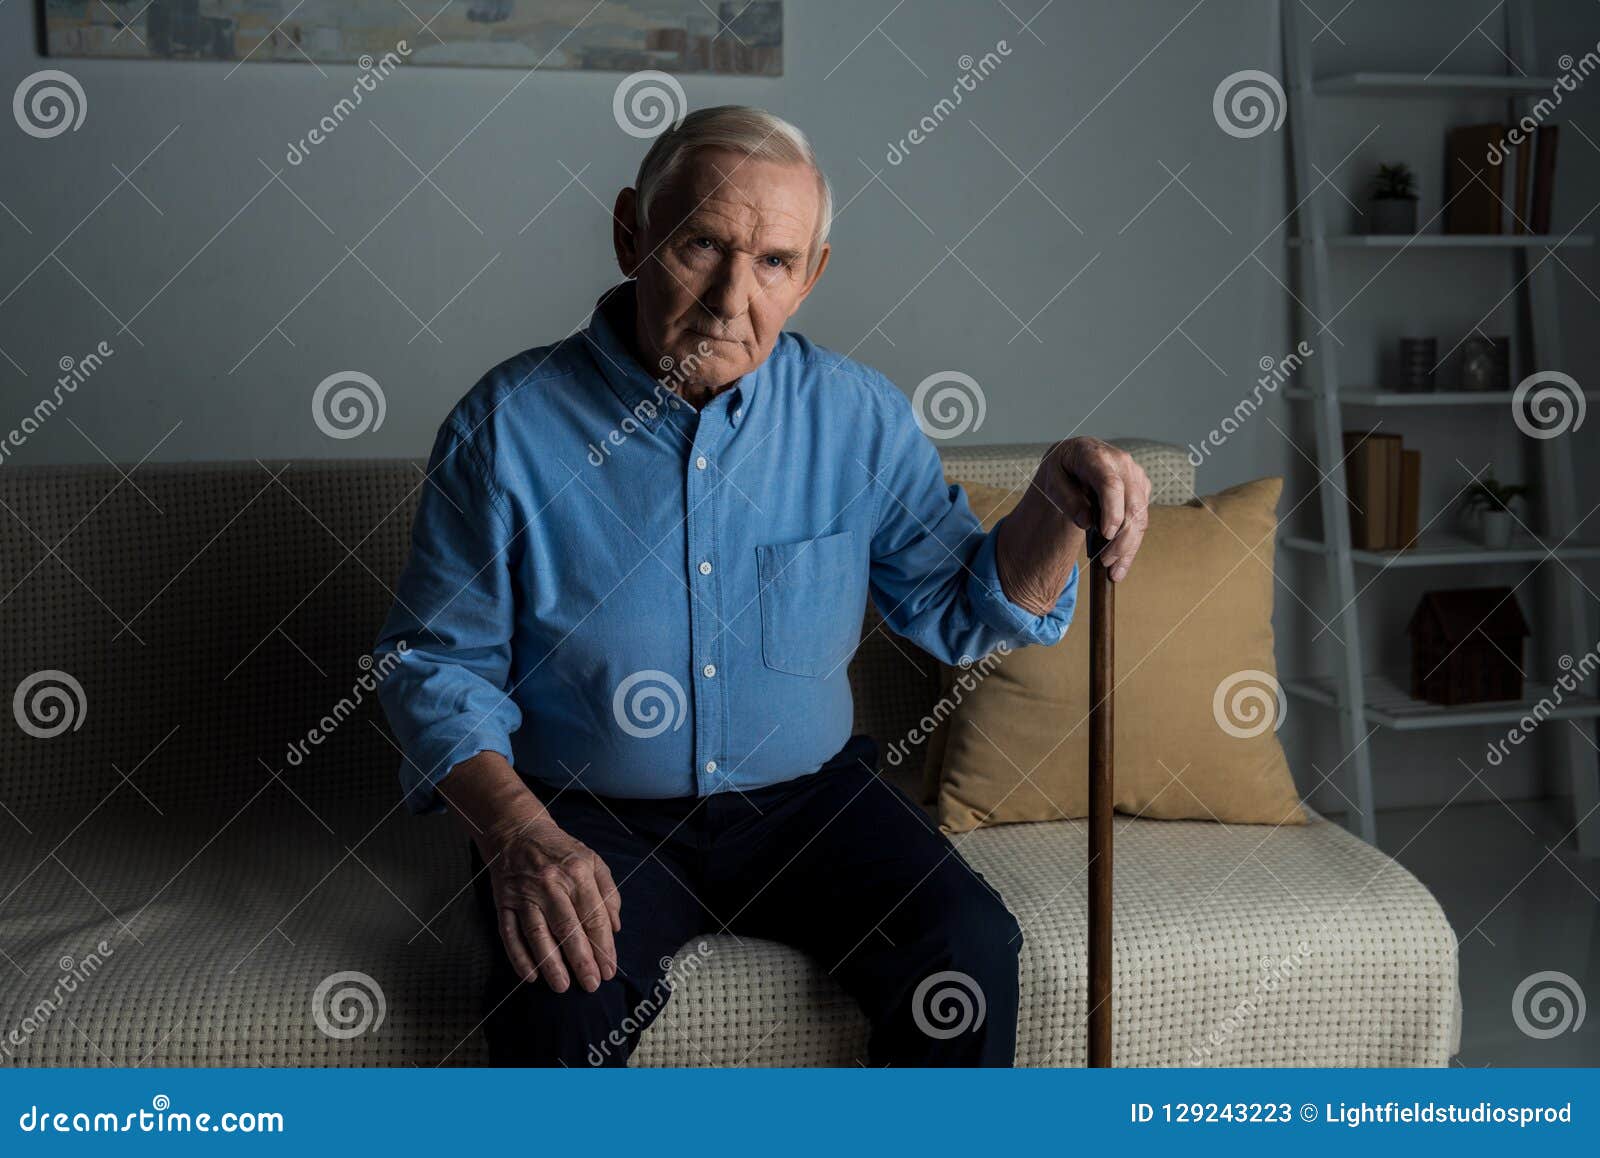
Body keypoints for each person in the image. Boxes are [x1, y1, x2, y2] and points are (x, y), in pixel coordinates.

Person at [374, 105, 1151, 1067]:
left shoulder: (857, 417)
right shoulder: (506, 426)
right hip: (589, 813)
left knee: (966, 951)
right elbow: (435, 665)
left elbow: (960, 610)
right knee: (555, 1008)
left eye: (775, 262)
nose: (730, 299)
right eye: (702, 244)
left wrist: (1057, 504)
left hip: (810, 806)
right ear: (630, 235)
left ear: (810, 275)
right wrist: (517, 832)